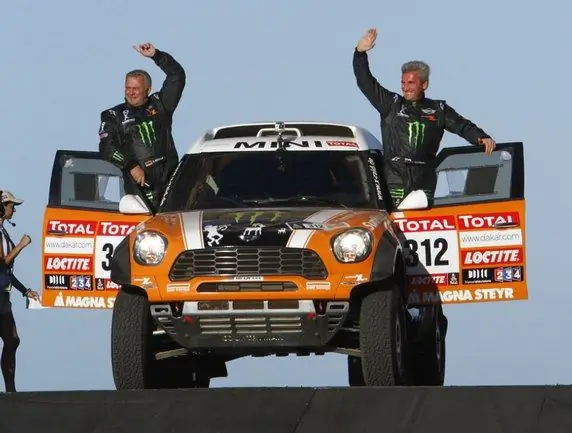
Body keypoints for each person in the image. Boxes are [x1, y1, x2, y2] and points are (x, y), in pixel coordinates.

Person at [353, 28, 496, 208]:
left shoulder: (438, 109)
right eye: (403, 83)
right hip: (394, 181)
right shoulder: (391, 104)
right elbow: (365, 82)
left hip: (424, 181)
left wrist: (480, 137)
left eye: (411, 83)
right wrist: (360, 53)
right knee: (395, 226)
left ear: (424, 84)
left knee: (424, 227)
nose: (406, 87)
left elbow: (462, 125)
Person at [98, 42, 186, 210]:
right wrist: (131, 166)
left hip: (171, 183)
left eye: (136, 88)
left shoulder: (161, 104)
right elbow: (107, 147)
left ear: (148, 89)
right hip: (140, 189)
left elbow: (177, 76)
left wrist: (157, 56)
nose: (131, 92)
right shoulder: (112, 115)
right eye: (127, 88)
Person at [0, 191, 39, 393]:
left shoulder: (3, 231)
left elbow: (6, 271)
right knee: (11, 339)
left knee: (12, 340)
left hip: (3, 298)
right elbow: (3, 261)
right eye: (10, 205)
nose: (13, 209)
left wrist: (25, 291)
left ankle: (10, 391)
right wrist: (22, 246)